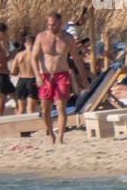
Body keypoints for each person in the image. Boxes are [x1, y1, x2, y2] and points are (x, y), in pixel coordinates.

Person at [31, 12, 89, 145]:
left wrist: (85, 80)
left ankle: (61, 137)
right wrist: (37, 76)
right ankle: (51, 133)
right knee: (45, 109)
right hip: (45, 76)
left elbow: (77, 60)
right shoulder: (41, 37)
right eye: (49, 24)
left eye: (54, 24)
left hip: (61, 74)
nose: (51, 27)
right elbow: (33, 58)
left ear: (60, 23)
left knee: (61, 107)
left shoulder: (68, 39)